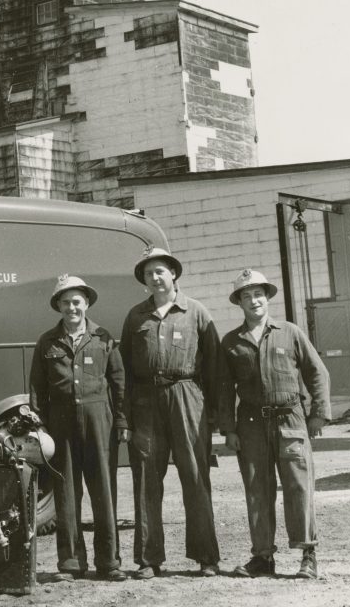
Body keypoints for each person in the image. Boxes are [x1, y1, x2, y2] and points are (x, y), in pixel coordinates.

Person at [218, 268, 330, 580]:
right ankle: (262, 557)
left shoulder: (290, 332)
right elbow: (223, 389)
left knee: (298, 485)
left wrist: (318, 413)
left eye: (258, 294)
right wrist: (228, 429)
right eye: (246, 295)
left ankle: (308, 554)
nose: (253, 300)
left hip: (290, 419)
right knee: (257, 490)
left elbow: (317, 372)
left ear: (267, 297)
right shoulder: (231, 343)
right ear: (238, 302)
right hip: (251, 424)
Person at [120, 247, 220, 579]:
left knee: (195, 476)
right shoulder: (136, 317)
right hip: (147, 402)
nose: (155, 277)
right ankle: (149, 559)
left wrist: (215, 417)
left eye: (160, 271)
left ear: (173, 273)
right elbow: (125, 372)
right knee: (147, 479)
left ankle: (206, 557)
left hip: (187, 396)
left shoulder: (197, 313)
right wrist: (128, 417)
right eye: (149, 273)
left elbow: (215, 367)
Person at [29, 274, 128, 582]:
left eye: (76, 301)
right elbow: (37, 387)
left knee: (103, 490)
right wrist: (40, 425)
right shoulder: (47, 341)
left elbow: (119, 383)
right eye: (65, 302)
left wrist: (122, 421)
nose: (71, 308)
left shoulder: (103, 337)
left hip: (99, 419)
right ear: (58, 306)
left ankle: (109, 562)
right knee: (66, 492)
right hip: (61, 423)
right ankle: (71, 563)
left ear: (86, 303)